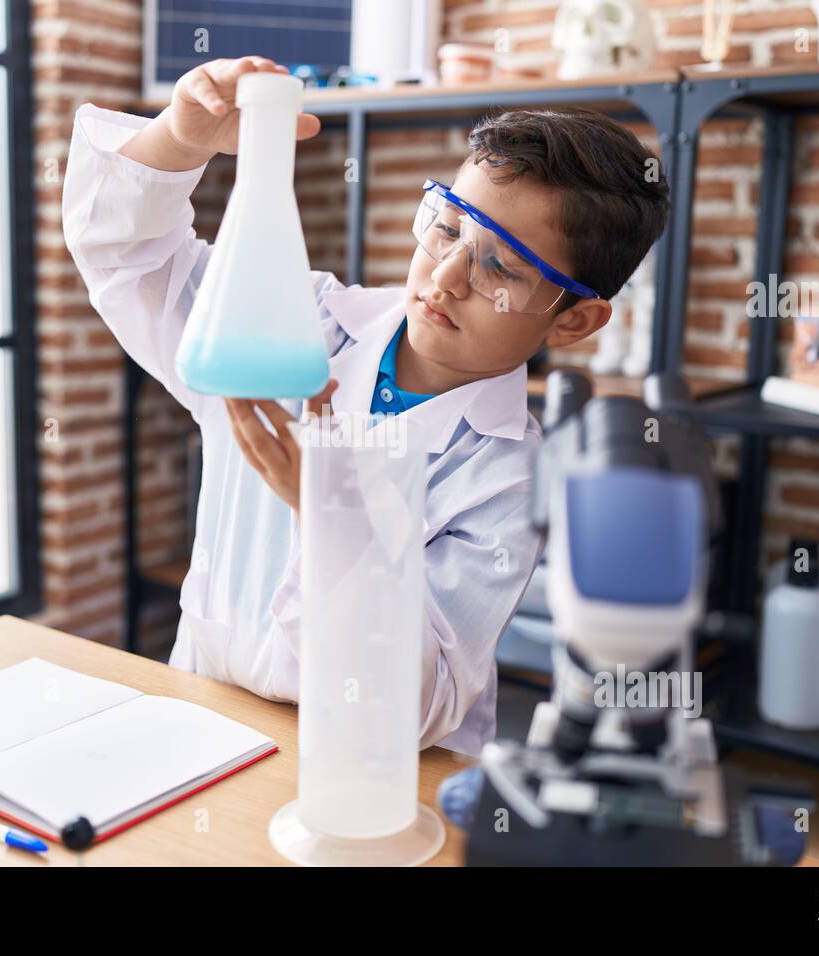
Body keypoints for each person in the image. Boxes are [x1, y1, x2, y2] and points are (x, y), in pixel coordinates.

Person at [62, 55, 669, 756]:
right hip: (204, 720)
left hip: (368, 772)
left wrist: (333, 511)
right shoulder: (296, 318)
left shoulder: (510, 477)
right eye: (446, 227)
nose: (444, 277)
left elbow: (418, 704)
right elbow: (123, 257)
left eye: (501, 266)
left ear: (573, 322)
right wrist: (178, 137)